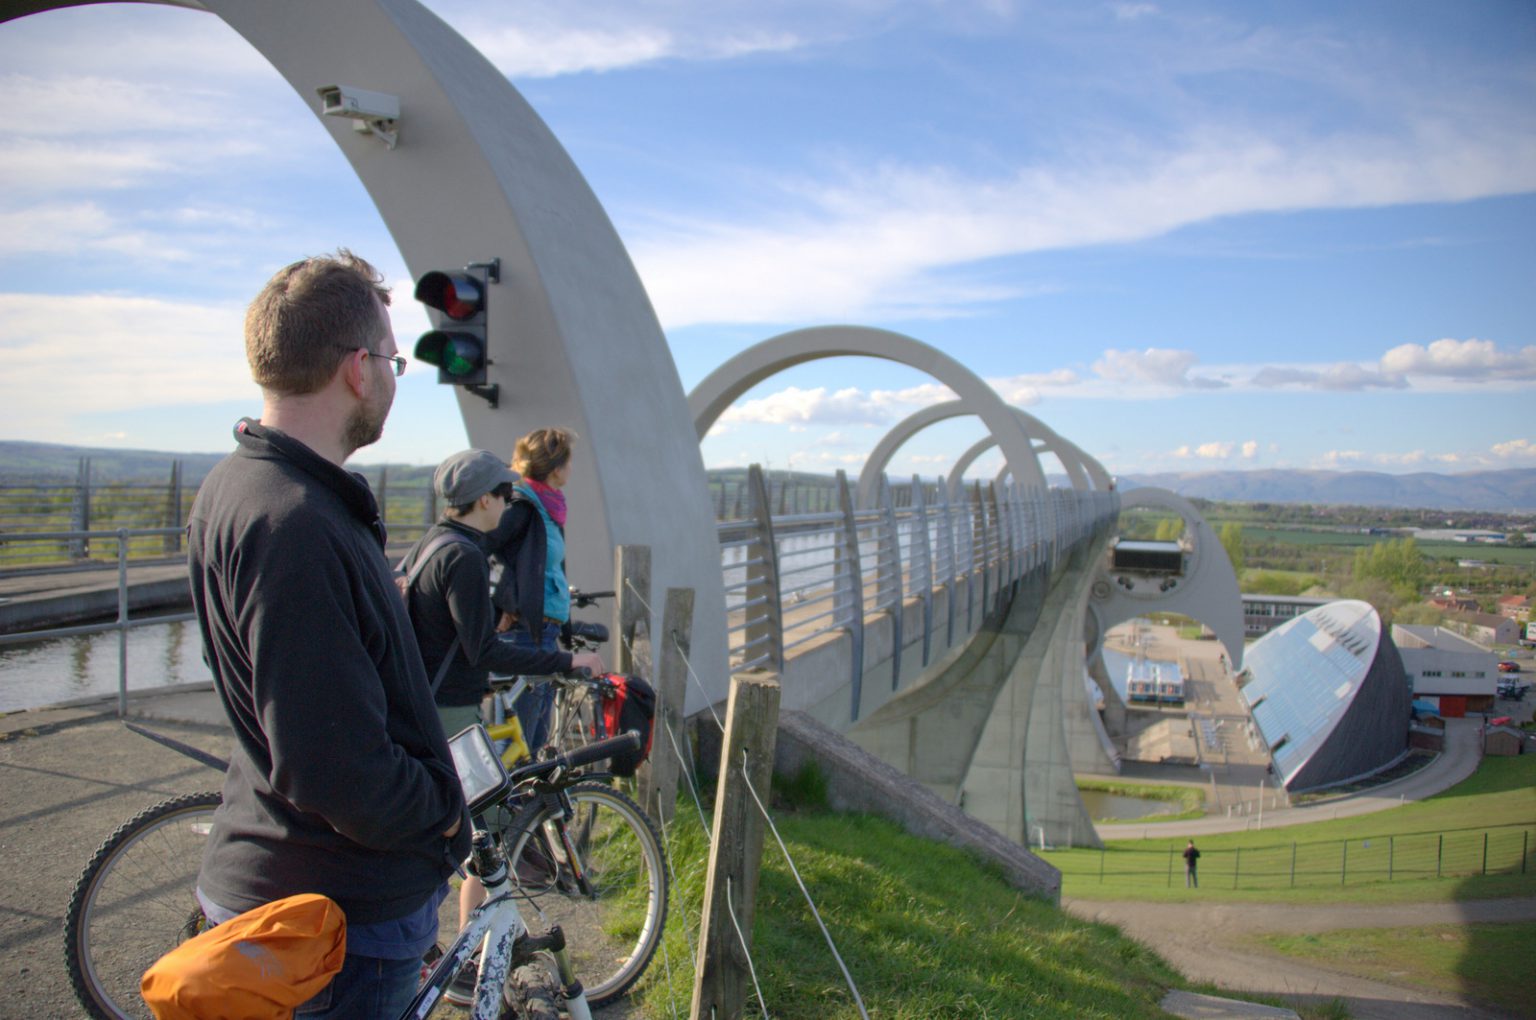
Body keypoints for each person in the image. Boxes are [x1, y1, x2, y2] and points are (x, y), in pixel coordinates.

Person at [187, 250, 471, 1018]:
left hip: (288, 880)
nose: (391, 379)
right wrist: (443, 808)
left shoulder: (240, 485)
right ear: (356, 367)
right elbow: (333, 766)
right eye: (391, 359)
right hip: (337, 922)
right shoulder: (299, 525)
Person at [486, 426, 580, 753]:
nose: (572, 467)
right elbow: (480, 547)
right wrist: (505, 604)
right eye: (569, 461)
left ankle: (524, 805)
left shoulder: (549, 508)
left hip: (544, 632)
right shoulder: (523, 506)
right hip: (524, 634)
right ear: (556, 468)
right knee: (518, 742)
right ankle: (495, 805)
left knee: (535, 744)